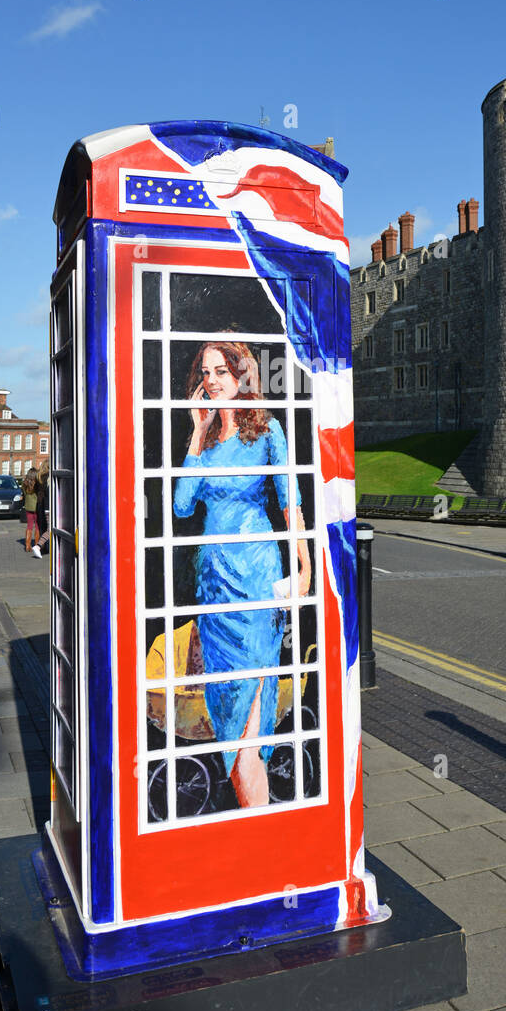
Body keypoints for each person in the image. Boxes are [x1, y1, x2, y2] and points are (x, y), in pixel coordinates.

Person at [173, 341, 310, 809]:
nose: (210, 380)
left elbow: (291, 505)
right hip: (213, 586)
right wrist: (196, 433)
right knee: (227, 713)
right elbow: (181, 505)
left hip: (255, 578)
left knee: (250, 718)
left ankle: (261, 833)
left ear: (242, 374)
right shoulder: (205, 443)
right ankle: (257, 828)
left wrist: (305, 567)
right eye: (204, 372)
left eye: (221, 371)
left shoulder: (268, 432)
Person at [22, 474, 40, 555]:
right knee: (37, 526)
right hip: (36, 507)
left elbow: (24, 494)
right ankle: (37, 545)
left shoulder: (24, 484)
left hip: (28, 507)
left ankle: (27, 546)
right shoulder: (37, 484)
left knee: (29, 526)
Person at [34, 459, 50, 556]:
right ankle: (40, 546)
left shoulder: (38, 477)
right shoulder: (49, 477)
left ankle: (43, 548)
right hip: (47, 505)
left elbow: (36, 491)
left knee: (42, 527)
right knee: (49, 528)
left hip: (39, 504)